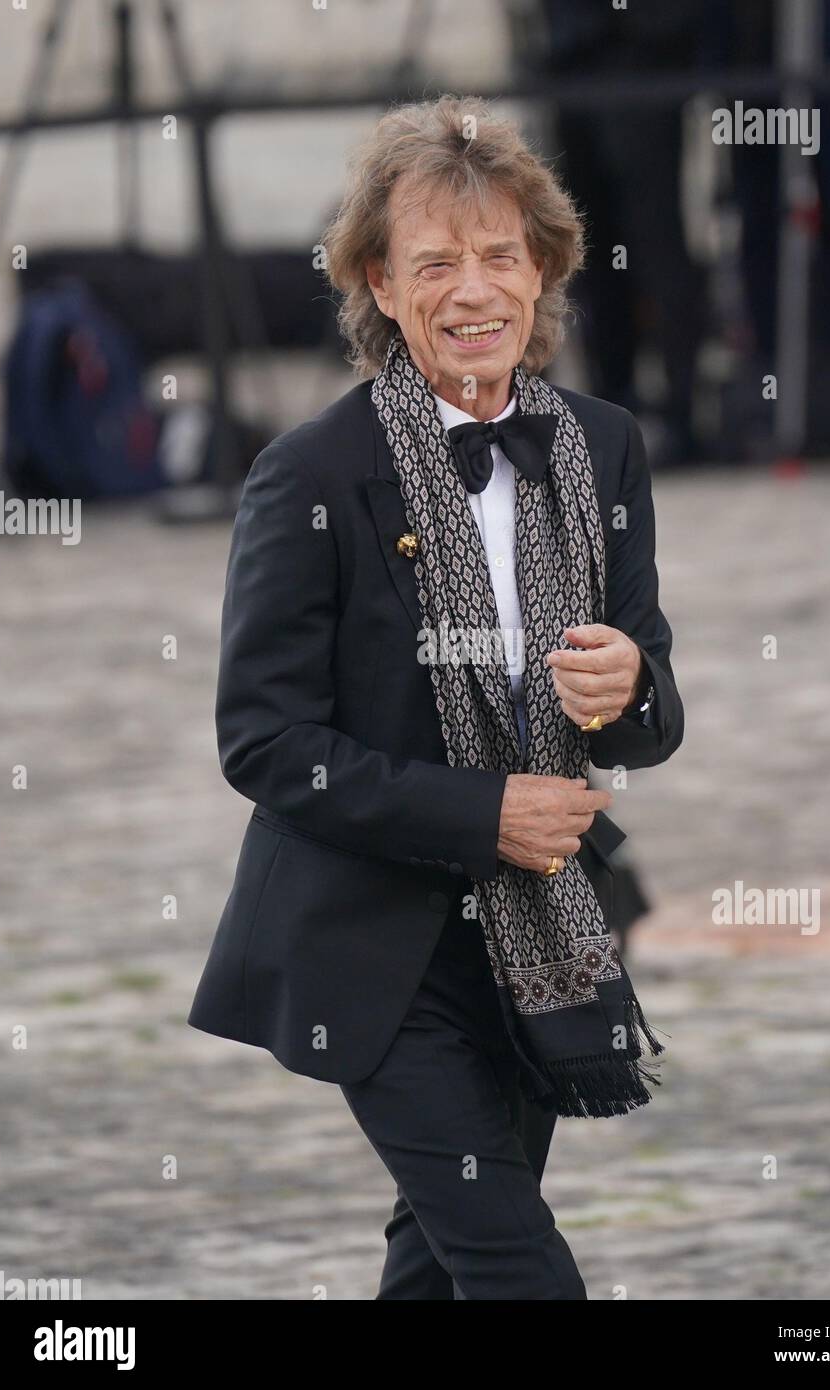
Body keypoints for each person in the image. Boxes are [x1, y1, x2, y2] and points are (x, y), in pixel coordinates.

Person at [187, 95, 684, 1301]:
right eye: (437, 262)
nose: (474, 289)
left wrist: (628, 688)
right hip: (373, 952)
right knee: (521, 1274)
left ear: (543, 269)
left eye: (500, 256)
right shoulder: (310, 473)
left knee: (436, 1269)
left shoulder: (603, 444)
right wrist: (482, 814)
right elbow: (263, 742)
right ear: (378, 280)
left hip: (539, 947)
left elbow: (654, 712)